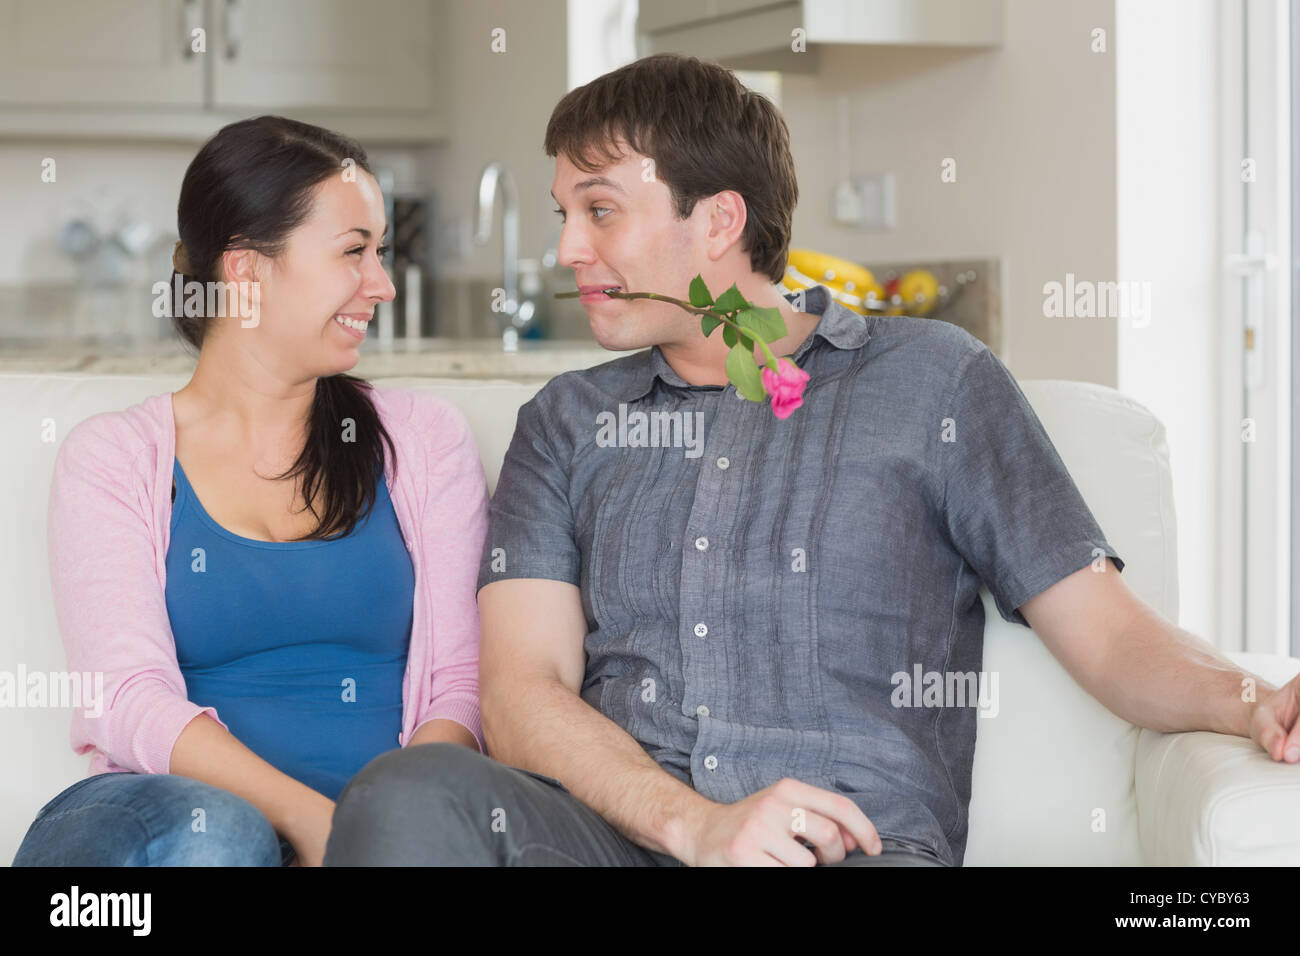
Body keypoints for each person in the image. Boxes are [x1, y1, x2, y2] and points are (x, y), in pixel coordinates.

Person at [324, 54, 1300, 868]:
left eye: (600, 209)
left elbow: (1106, 632)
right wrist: (692, 823)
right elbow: (520, 691)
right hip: (618, 839)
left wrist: (1254, 700)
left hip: (841, 844)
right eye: (562, 214)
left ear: (717, 220)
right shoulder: (567, 421)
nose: (569, 247)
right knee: (411, 794)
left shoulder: (934, 381)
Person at [13, 116, 487, 868]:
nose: (383, 285)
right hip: (156, 828)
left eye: (381, 254)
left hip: (377, 832)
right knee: (222, 836)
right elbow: (127, 697)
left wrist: (392, 833)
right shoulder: (112, 459)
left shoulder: (424, 441)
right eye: (353, 253)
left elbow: (460, 686)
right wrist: (315, 826)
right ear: (246, 272)